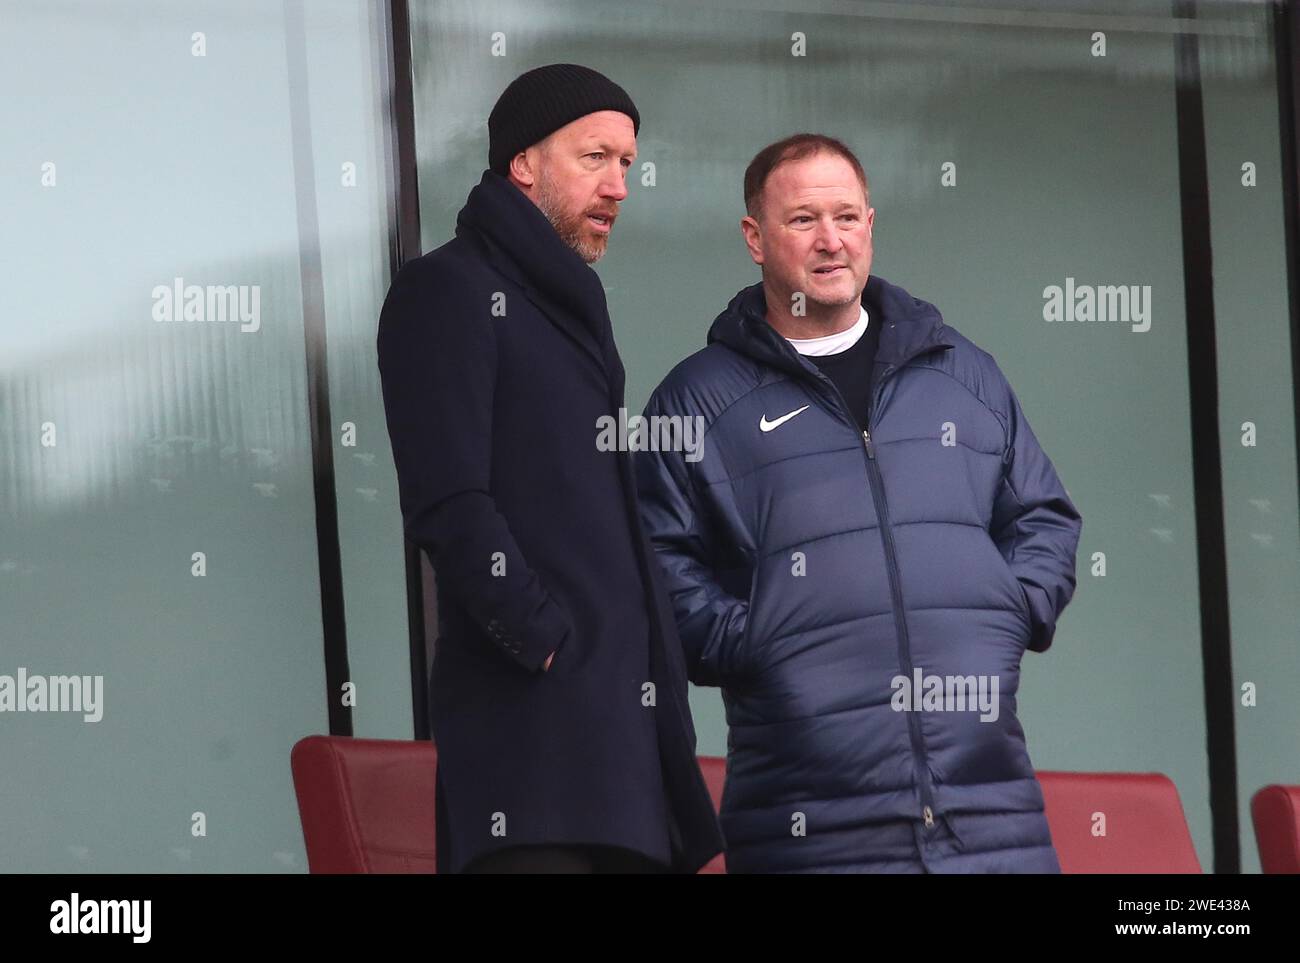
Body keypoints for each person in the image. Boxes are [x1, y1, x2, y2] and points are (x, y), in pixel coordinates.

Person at [635, 132, 1082, 873]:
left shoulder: (960, 373)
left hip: (991, 819)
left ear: (870, 225)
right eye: (803, 219)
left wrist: (1010, 608)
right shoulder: (699, 400)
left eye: (846, 217)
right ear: (755, 238)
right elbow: (658, 570)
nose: (830, 240)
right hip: (808, 826)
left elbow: (1044, 518)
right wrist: (760, 644)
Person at [376, 63, 724, 874]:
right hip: (530, 761)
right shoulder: (448, 290)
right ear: (522, 164)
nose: (619, 186)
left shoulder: (568, 311)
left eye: (628, 164)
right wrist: (546, 643)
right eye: (594, 157)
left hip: (621, 760)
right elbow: (448, 503)